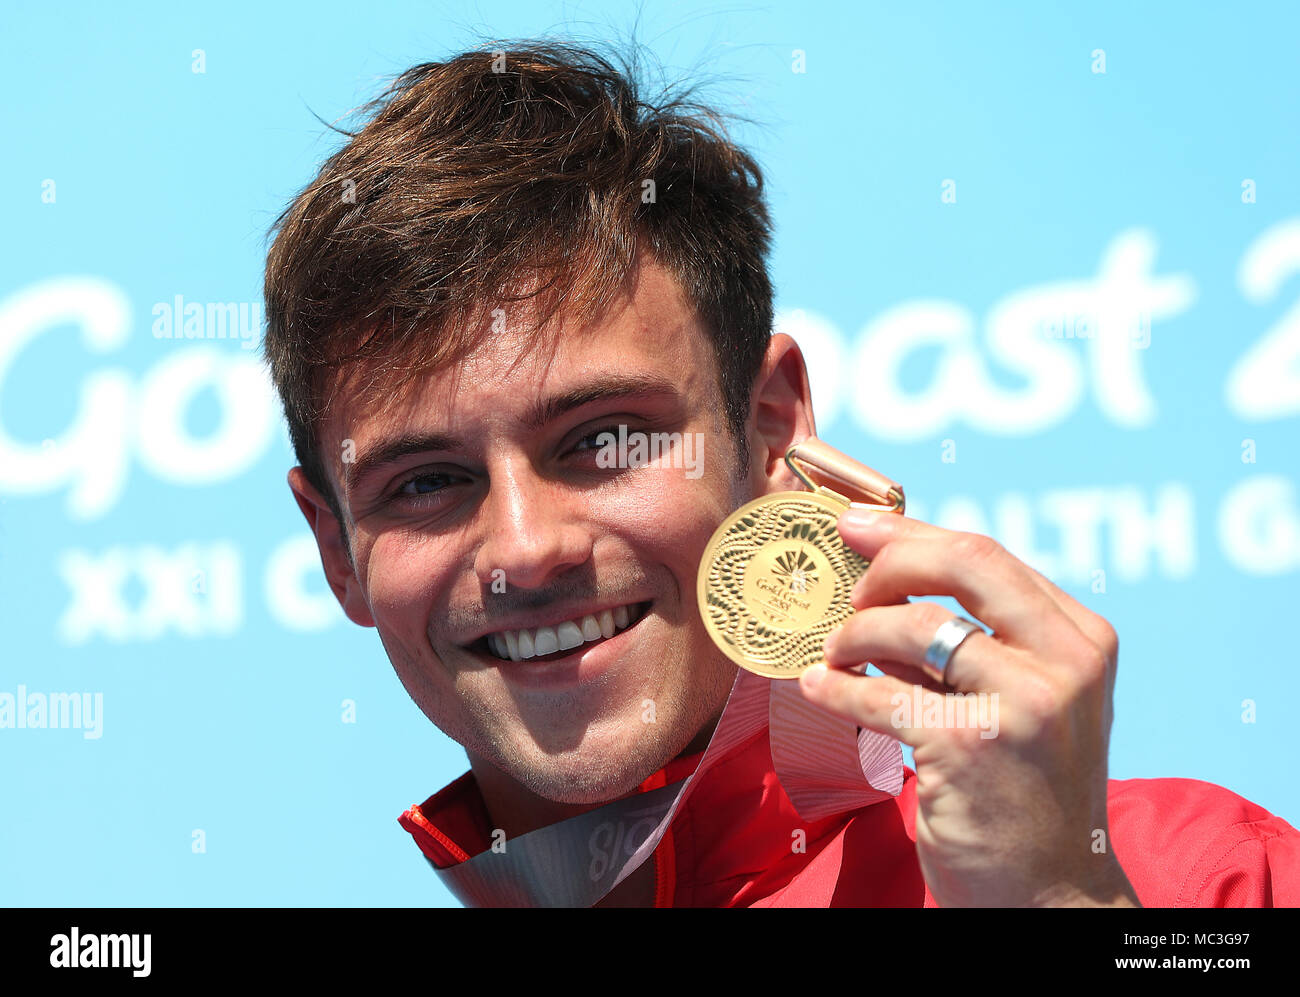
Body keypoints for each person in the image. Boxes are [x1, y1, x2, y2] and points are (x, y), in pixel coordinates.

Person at [261, 40, 1300, 907]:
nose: (526, 549)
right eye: (427, 482)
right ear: (335, 550)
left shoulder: (1193, 878)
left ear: (768, 427)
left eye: (601, 439)